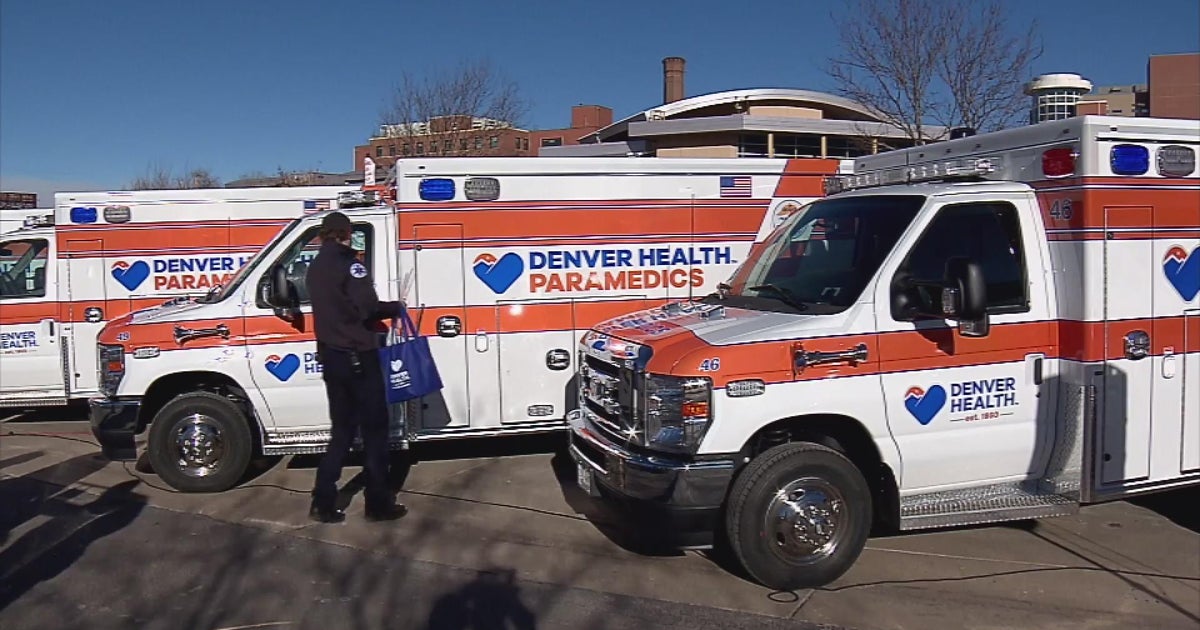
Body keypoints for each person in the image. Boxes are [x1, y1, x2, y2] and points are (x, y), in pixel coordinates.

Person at [305, 211, 407, 523]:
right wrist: (396, 308)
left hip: (332, 358)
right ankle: (377, 503)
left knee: (342, 432)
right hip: (359, 358)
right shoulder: (351, 266)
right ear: (346, 233)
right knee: (375, 432)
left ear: (323, 234)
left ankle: (323, 500)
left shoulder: (315, 267)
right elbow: (368, 308)